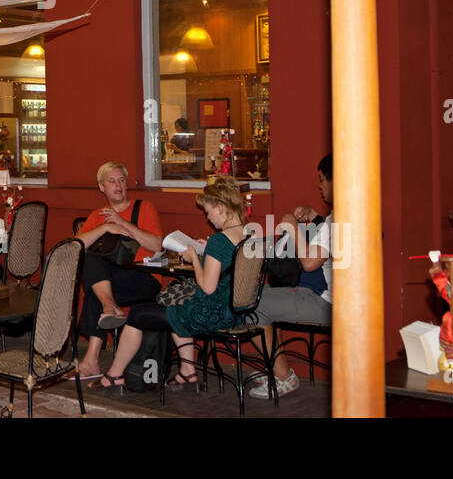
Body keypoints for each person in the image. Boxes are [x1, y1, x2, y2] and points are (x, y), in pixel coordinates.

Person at [97, 176, 247, 388]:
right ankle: (187, 371)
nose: (208, 217)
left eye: (208, 211)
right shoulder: (246, 235)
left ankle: (114, 374)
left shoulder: (219, 240)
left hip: (210, 314)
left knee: (139, 313)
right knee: (174, 296)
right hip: (236, 313)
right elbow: (227, 270)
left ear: (220, 207)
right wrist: (206, 253)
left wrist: (195, 258)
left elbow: (207, 286)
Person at [249, 152, 335, 398]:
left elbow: (308, 262)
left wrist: (293, 228)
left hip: (325, 302)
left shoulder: (338, 217)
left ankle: (284, 377)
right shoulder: (346, 214)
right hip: (338, 300)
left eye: (322, 179)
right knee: (258, 295)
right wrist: (315, 217)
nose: (319, 186)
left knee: (248, 304)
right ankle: (278, 370)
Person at [72, 162, 163, 380]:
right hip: (113, 280)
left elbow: (157, 245)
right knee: (92, 262)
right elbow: (74, 246)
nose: (118, 185)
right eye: (112, 181)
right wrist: (104, 227)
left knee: (96, 286)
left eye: (121, 180)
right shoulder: (98, 215)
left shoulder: (144, 208)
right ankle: (109, 306)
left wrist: (124, 224)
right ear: (101, 187)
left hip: (145, 277)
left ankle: (92, 359)